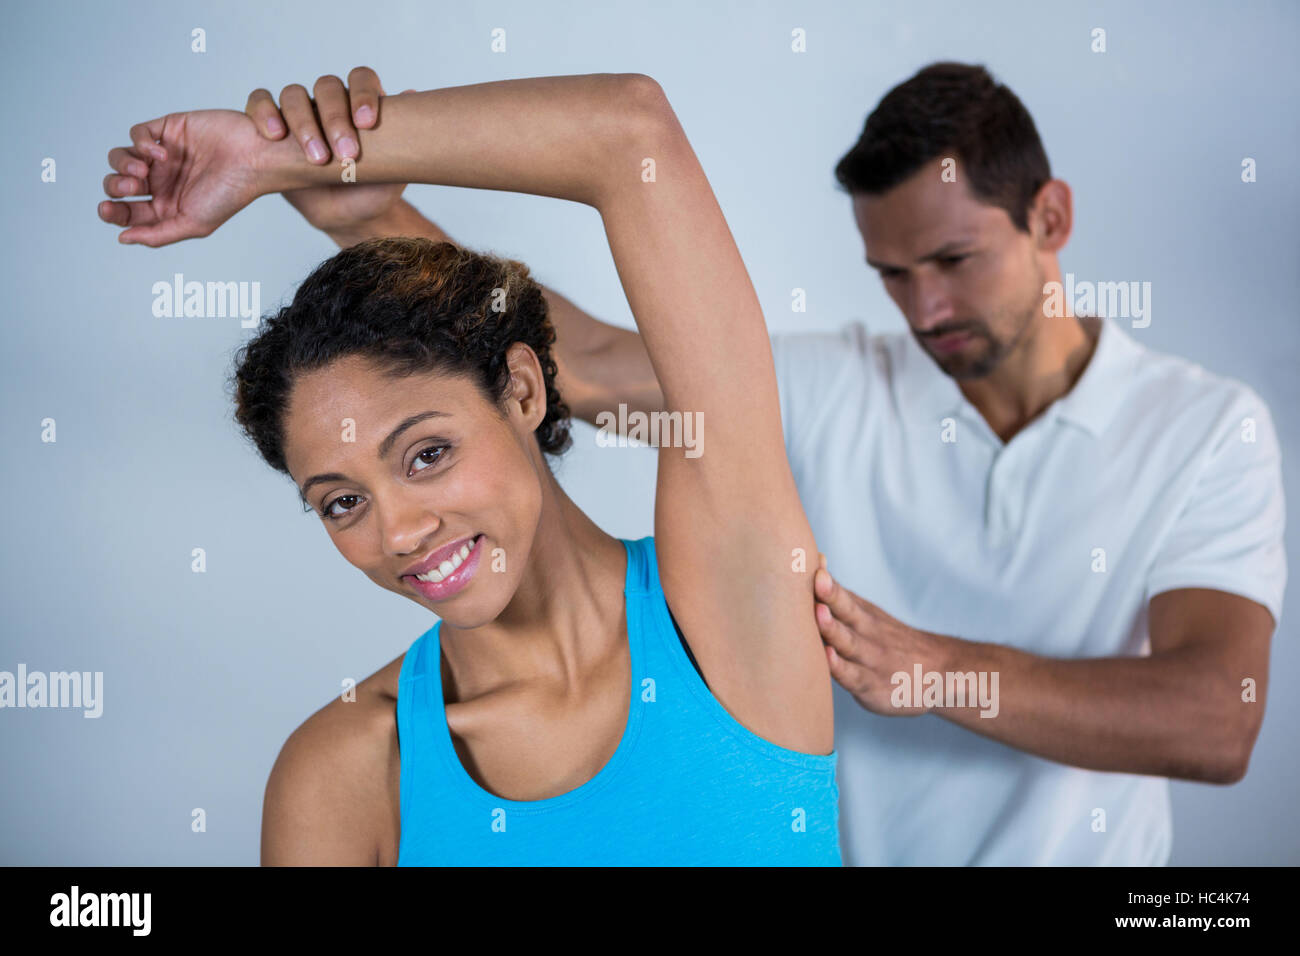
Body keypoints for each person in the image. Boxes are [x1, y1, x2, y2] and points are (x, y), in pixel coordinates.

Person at [246, 62, 1286, 865]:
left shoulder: (1204, 428)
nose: (924, 306)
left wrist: (938, 672)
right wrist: (365, 211)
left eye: (953, 261)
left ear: (1049, 218)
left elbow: (1217, 716)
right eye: (892, 272)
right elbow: (583, 363)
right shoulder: (836, 389)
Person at [97, 72, 841, 865]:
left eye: (427, 454)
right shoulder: (345, 771)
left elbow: (630, 132)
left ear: (521, 390)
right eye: (343, 502)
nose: (399, 533)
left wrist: (281, 156)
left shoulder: (723, 610)